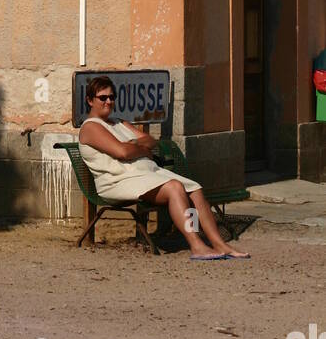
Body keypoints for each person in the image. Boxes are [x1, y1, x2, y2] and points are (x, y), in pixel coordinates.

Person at [78, 75, 250, 260]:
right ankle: (197, 245)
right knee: (175, 187)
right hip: (118, 181)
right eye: (102, 98)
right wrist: (141, 150)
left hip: (146, 174)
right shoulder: (91, 127)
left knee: (194, 189)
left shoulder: (119, 122)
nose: (109, 101)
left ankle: (220, 244)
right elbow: (122, 152)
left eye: (112, 97)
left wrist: (135, 144)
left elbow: (150, 140)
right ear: (90, 100)